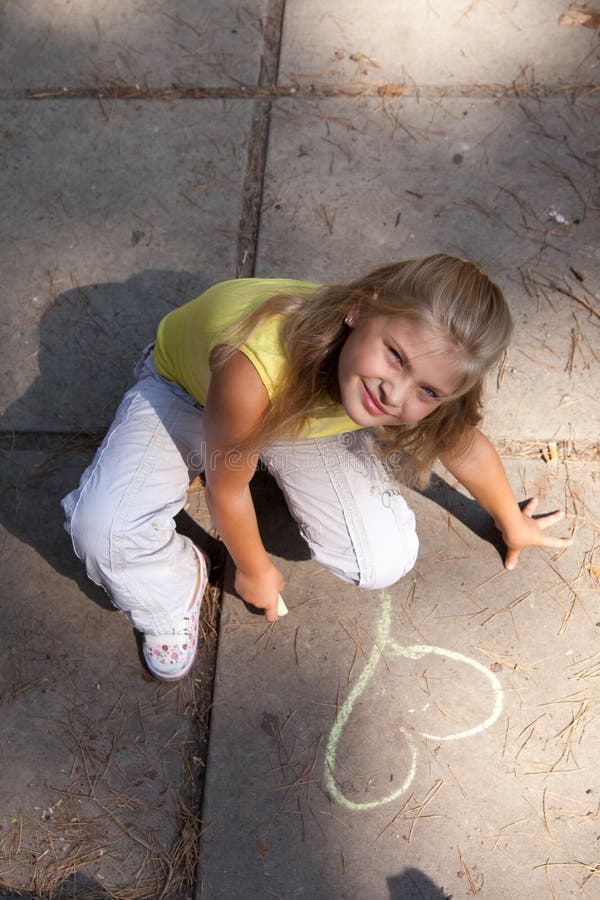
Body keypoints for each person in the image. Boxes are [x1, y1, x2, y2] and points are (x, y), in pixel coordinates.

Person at [61, 255, 572, 682]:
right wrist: (255, 569)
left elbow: (462, 443)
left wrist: (512, 520)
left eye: (429, 391)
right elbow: (227, 487)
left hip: (293, 419)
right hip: (187, 394)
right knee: (102, 530)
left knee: (381, 559)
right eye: (395, 356)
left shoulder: (390, 371)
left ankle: (265, 457)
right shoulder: (256, 364)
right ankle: (171, 586)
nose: (394, 393)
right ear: (359, 309)